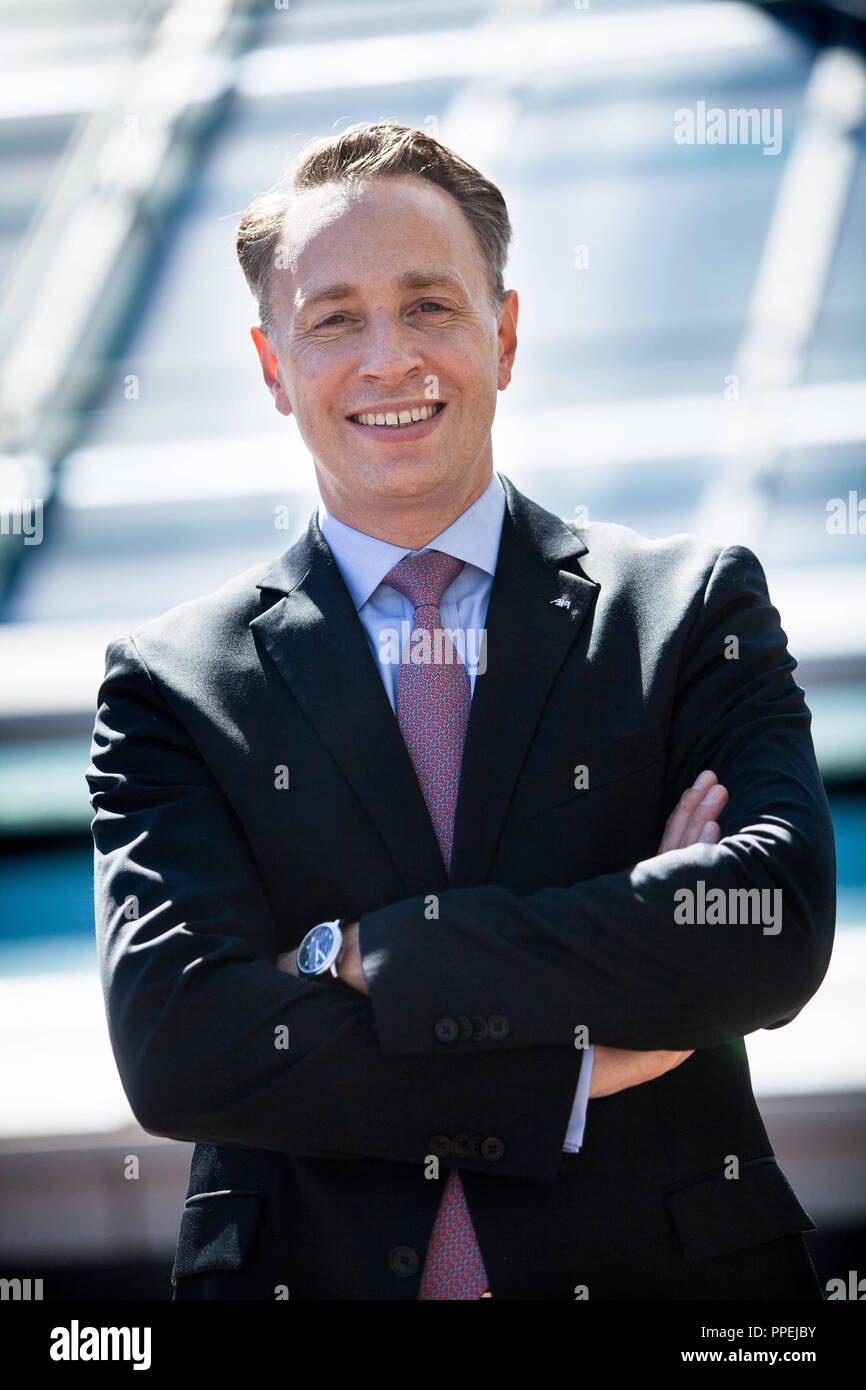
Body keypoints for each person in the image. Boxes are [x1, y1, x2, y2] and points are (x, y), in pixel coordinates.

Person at [87, 121, 835, 1300]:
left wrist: (365, 955)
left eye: (430, 305)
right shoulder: (171, 685)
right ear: (272, 366)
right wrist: (575, 1067)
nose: (388, 357)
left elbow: (764, 924)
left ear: (506, 330)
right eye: (334, 318)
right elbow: (184, 1047)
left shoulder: (686, 609)